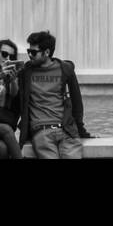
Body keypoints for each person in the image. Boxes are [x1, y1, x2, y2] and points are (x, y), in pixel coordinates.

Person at [17, 30, 91, 159]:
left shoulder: (65, 70)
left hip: (66, 130)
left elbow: (76, 102)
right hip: (41, 131)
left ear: (46, 52)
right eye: (28, 51)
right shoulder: (25, 72)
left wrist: (81, 130)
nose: (29, 55)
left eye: (33, 52)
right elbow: (16, 100)